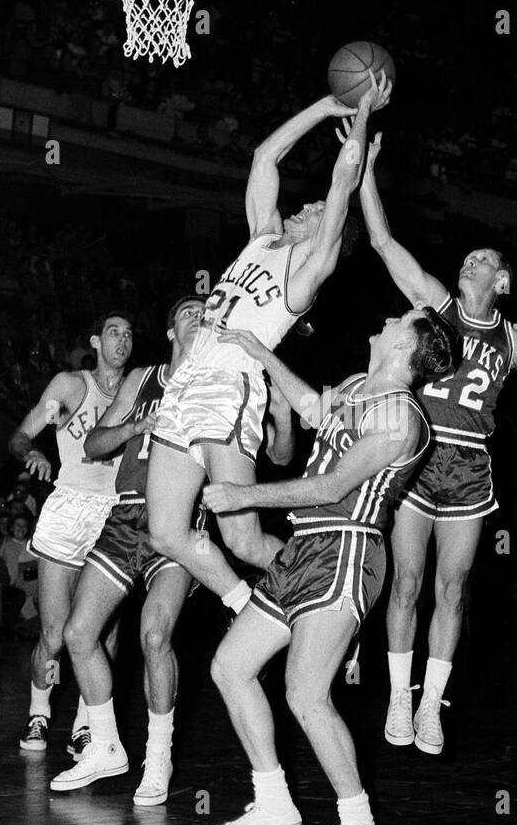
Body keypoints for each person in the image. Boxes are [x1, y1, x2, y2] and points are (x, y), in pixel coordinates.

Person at [201, 307, 460, 825]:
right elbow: (314, 407)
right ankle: (273, 802)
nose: (389, 315)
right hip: (302, 549)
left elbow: (333, 485)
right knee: (230, 666)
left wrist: (244, 496)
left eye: (403, 318)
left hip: (346, 548)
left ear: (405, 348)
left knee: (305, 692)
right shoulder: (357, 385)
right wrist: (261, 353)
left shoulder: (398, 417)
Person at [145, 76, 390, 622]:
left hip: (228, 388)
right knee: (164, 533)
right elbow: (264, 157)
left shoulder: (306, 273)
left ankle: (326, 600)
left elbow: (343, 177)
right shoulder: (261, 238)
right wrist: (326, 104)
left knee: (246, 541)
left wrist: (364, 110)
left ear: (327, 232)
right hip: (183, 385)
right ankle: (241, 601)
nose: (305, 207)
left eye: (315, 211)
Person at [359, 132, 517, 754]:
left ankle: (431, 703)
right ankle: (399, 695)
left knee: (452, 589)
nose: (468, 263)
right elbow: (382, 242)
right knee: (407, 581)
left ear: (503, 280)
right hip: (420, 453)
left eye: (482, 259)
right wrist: (368, 170)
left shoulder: (514, 338)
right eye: (467, 258)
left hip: (472, 466)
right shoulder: (438, 306)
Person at [50, 296, 295, 801]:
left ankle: (157, 759)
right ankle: (106, 745)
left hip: (177, 523)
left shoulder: (224, 379)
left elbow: (278, 453)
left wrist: (284, 419)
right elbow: (92, 444)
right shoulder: (144, 380)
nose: (199, 314)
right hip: (123, 517)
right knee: (77, 633)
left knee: (155, 635)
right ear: (168, 330)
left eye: (207, 309)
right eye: (186, 310)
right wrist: (136, 426)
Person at [9, 313, 131, 753]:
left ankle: (87, 722)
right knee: (55, 634)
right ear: (96, 340)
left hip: (115, 514)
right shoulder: (70, 386)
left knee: (104, 630)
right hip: (70, 509)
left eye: (130, 333)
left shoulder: (139, 390)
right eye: (114, 332)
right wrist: (33, 454)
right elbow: (20, 435)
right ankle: (39, 715)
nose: (123, 339)